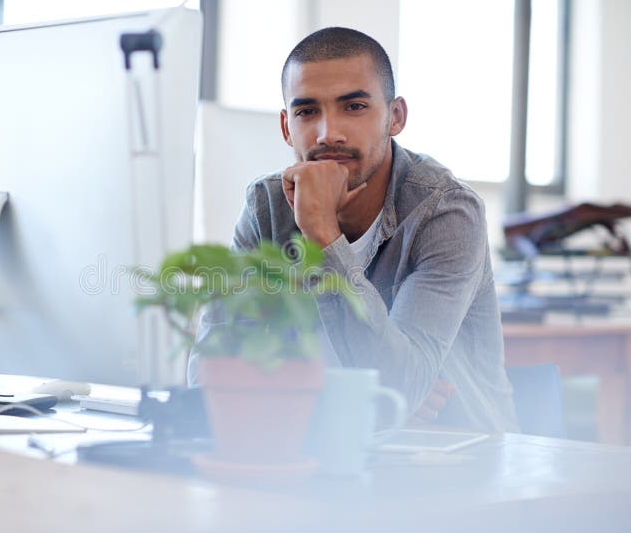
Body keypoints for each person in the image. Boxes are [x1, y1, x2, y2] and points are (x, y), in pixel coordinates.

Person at [193, 27, 517, 432]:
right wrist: (343, 396)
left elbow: (394, 388)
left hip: (456, 461)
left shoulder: (445, 211)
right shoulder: (267, 208)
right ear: (285, 126)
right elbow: (211, 369)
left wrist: (322, 234)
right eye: (307, 111)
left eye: (355, 107)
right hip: (315, 450)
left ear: (395, 116)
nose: (329, 133)